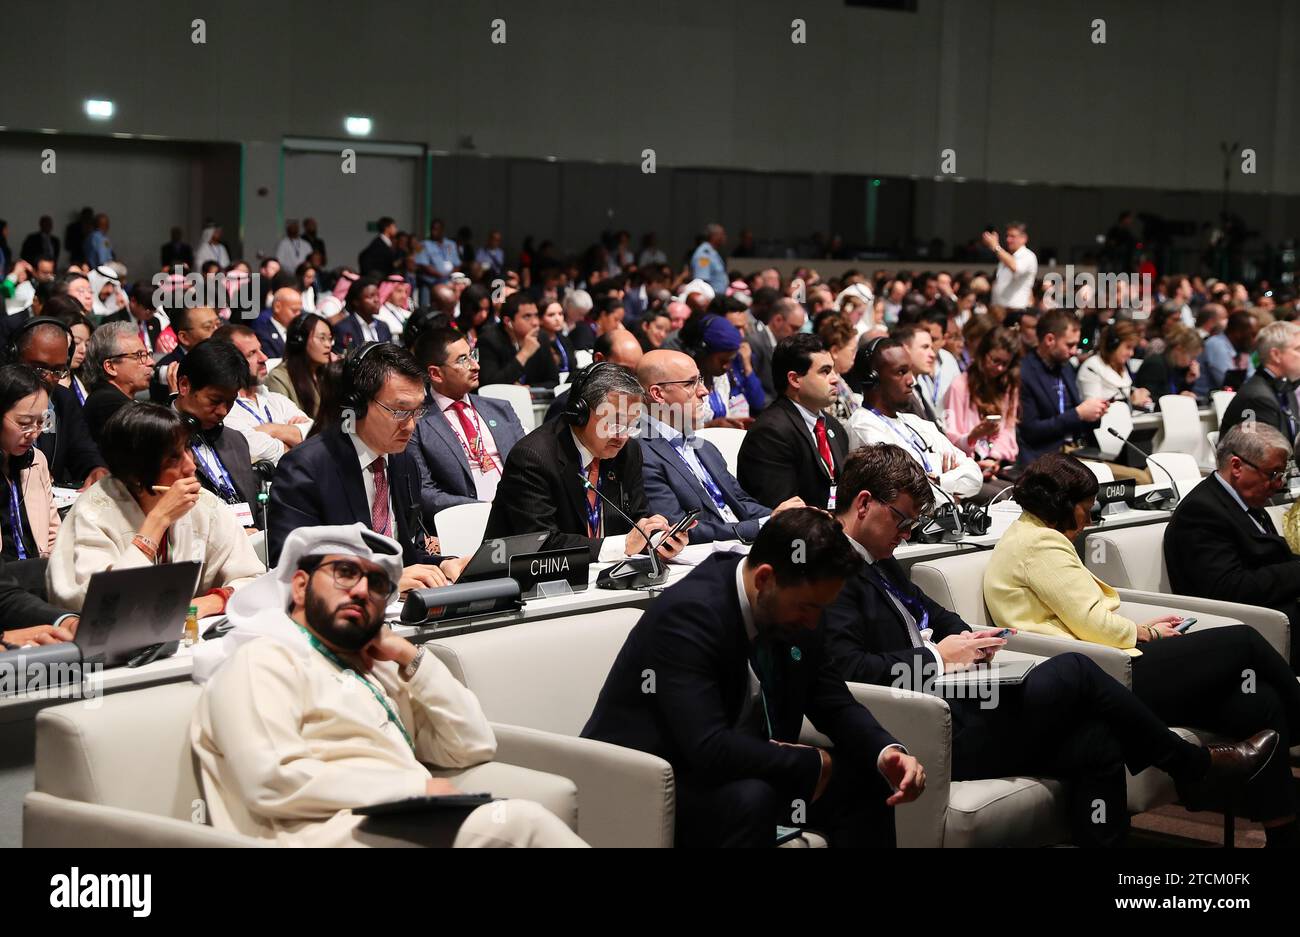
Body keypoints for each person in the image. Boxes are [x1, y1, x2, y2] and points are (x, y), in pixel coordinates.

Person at [825, 444, 1278, 847]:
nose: (907, 534)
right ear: (864, 504)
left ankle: (1191, 776)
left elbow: (936, 614)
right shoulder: (830, 571)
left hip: (960, 692)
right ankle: (1195, 766)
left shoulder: (880, 558)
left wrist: (970, 637)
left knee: (1096, 740)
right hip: (922, 721)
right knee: (1076, 670)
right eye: (902, 521)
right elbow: (848, 669)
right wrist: (937, 656)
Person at [190, 522, 585, 847]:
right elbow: (272, 782)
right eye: (344, 573)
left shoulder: (378, 670)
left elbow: (473, 744)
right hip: (314, 835)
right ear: (299, 586)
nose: (361, 590)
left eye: (377, 583)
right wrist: (414, 788)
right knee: (520, 824)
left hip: (394, 826)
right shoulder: (261, 660)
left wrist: (411, 658)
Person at [982, 453, 1299, 845]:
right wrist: (1149, 634)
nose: (1091, 517)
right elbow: (1097, 626)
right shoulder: (1041, 544)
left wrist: (1141, 628)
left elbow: (1086, 619)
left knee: (1259, 702)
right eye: (1087, 507)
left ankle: (1284, 834)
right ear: (1065, 506)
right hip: (1108, 675)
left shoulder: (1030, 535)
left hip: (1107, 661)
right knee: (1242, 639)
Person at [582, 508, 925, 847]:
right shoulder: (689, 615)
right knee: (753, 798)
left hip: (730, 766)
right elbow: (707, 747)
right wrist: (809, 762)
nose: (813, 622)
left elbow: (832, 701)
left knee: (866, 779)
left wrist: (884, 751)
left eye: (821, 609)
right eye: (807, 608)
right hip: (647, 781)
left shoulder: (800, 602)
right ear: (764, 579)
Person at [268, 343, 467, 589]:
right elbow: (292, 571)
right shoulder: (304, 469)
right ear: (358, 405)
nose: (411, 426)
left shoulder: (402, 460)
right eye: (400, 411)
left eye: (417, 411)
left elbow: (407, 555)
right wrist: (382, 580)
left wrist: (442, 565)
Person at [47, 403, 262, 614]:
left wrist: (205, 605)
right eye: (174, 458)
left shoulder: (203, 504)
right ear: (137, 473)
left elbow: (254, 581)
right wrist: (158, 521)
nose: (191, 466)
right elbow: (102, 606)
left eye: (188, 448)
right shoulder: (93, 513)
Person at [484, 362, 686, 563]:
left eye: (631, 425)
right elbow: (540, 543)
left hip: (601, 581)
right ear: (580, 413)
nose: (622, 436)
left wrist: (657, 540)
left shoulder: (628, 451)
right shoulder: (533, 457)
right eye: (614, 423)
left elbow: (637, 519)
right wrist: (621, 545)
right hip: (525, 584)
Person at [1166, 424, 1300, 670]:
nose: (1279, 484)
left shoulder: (1245, 500)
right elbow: (1229, 589)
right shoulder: (1201, 512)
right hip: (1244, 632)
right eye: (1273, 474)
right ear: (1237, 466)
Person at [638, 349, 802, 544]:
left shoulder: (706, 447)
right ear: (658, 394)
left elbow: (741, 503)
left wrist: (787, 518)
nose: (704, 391)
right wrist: (763, 525)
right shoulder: (640, 452)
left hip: (744, 545)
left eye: (700, 380)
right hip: (703, 562)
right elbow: (677, 530)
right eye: (691, 383)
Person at [409, 326, 525, 518]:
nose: (475, 365)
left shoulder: (501, 409)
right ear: (436, 374)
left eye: (472, 355)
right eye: (463, 360)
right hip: (465, 522)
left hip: (520, 513)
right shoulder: (416, 422)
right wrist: (485, 509)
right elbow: (424, 493)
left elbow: (529, 466)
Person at [847, 338, 982, 500]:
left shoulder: (915, 422)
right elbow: (905, 496)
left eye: (910, 371)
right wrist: (951, 493)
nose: (912, 380)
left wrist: (941, 481)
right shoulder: (863, 425)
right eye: (901, 372)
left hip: (947, 520)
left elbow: (975, 477)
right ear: (873, 379)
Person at [738, 334, 848, 511]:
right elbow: (781, 509)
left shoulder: (833, 426)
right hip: (798, 535)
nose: (835, 378)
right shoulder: (770, 433)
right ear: (795, 379)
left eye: (833, 370)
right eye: (825, 371)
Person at [12, 318, 108, 489]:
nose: (49, 378)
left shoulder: (63, 400)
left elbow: (82, 448)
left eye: (57, 370)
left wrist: (95, 469)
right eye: (39, 368)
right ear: (14, 356)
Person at [173, 339, 260, 522]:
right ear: (184, 385)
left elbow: (257, 510)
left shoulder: (236, 440)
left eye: (230, 402)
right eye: (214, 400)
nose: (223, 411)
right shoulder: (154, 438)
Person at [1016, 309, 1109, 464]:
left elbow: (1077, 421)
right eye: (1070, 345)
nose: (1074, 352)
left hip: (1078, 451)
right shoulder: (1024, 373)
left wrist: (1094, 413)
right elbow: (1031, 431)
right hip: (1045, 457)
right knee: (1139, 478)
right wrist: (1078, 414)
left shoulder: (1066, 368)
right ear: (1050, 339)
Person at [213, 325, 312, 465]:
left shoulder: (276, 399)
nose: (264, 358)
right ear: (228, 362)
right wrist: (293, 434)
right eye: (251, 353)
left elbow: (315, 437)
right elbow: (252, 448)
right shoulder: (225, 410)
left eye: (260, 349)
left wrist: (272, 429)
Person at [0, 365, 58, 587]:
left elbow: (54, 532)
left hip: (36, 578)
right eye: (24, 424)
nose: (34, 433)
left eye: (41, 423)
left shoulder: (37, 460)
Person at [942, 325, 1021, 486]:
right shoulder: (960, 386)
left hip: (996, 463)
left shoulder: (1008, 385)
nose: (999, 368)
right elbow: (950, 439)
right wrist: (974, 436)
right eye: (995, 360)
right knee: (1003, 494)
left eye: (1005, 364)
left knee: (1018, 492)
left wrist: (993, 457)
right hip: (965, 467)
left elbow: (1008, 430)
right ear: (983, 354)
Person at [1218, 320, 1300, 439]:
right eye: (1298, 349)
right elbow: (1264, 454)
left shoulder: (1285, 387)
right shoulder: (1258, 398)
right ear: (1276, 355)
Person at [544, 329, 643, 422]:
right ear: (599, 360)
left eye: (636, 373)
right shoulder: (567, 406)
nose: (632, 380)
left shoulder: (640, 403)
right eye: (624, 371)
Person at [81, 321, 154, 446]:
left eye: (148, 354)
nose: (151, 362)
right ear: (111, 367)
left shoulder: (113, 399)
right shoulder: (106, 403)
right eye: (139, 355)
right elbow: (157, 440)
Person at [475, 292, 555, 387]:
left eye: (536, 315)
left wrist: (531, 389)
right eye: (527, 316)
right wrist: (524, 354)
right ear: (508, 321)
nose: (535, 322)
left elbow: (554, 381)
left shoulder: (541, 337)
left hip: (535, 400)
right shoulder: (488, 340)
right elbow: (489, 384)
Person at [266, 313, 335, 419]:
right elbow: (283, 423)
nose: (328, 345)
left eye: (330, 339)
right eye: (322, 338)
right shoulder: (278, 378)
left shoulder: (327, 373)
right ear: (300, 341)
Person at [150, 306, 221, 403]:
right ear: (184, 337)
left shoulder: (221, 357)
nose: (218, 332)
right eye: (208, 327)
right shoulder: (168, 372)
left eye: (218, 324)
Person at [1077, 321, 1153, 411]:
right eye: (1128, 347)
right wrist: (1131, 402)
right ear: (1113, 345)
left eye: (1133, 348)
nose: (1131, 353)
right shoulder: (1091, 368)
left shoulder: (1121, 366)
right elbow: (1093, 411)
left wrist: (1139, 395)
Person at [1132, 326, 1203, 410]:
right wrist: (1178, 399)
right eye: (1192, 357)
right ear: (1178, 349)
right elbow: (1148, 399)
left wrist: (1187, 382)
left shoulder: (1176, 367)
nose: (1193, 362)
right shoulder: (1155, 364)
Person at [984, 221, 1037, 311]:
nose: (1008, 240)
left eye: (1012, 236)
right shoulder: (1006, 256)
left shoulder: (1028, 256)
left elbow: (1015, 267)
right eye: (1007, 236)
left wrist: (996, 247)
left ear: (1023, 238)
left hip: (1015, 311)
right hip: (998, 310)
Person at [1202, 310, 1259, 390]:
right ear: (1238, 332)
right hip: (1204, 399)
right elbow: (1228, 384)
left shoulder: (1242, 348)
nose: (1255, 339)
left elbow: (1251, 378)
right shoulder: (1216, 344)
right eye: (1252, 334)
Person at [109, 284, 170, 356]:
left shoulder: (154, 322)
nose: (150, 312)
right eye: (147, 308)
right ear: (133, 301)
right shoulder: (114, 322)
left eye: (154, 309)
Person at [333, 277, 392, 351]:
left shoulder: (383, 327)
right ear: (356, 302)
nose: (376, 300)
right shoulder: (344, 328)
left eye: (377, 295)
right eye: (371, 296)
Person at [254, 286, 302, 359]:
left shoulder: (300, 330)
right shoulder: (263, 333)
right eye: (294, 311)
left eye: (300, 311)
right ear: (277, 307)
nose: (298, 315)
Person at [689, 223, 730, 295]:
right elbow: (701, 281)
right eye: (722, 234)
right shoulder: (704, 255)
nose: (725, 237)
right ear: (714, 236)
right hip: (711, 299)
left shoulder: (713, 252)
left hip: (718, 297)